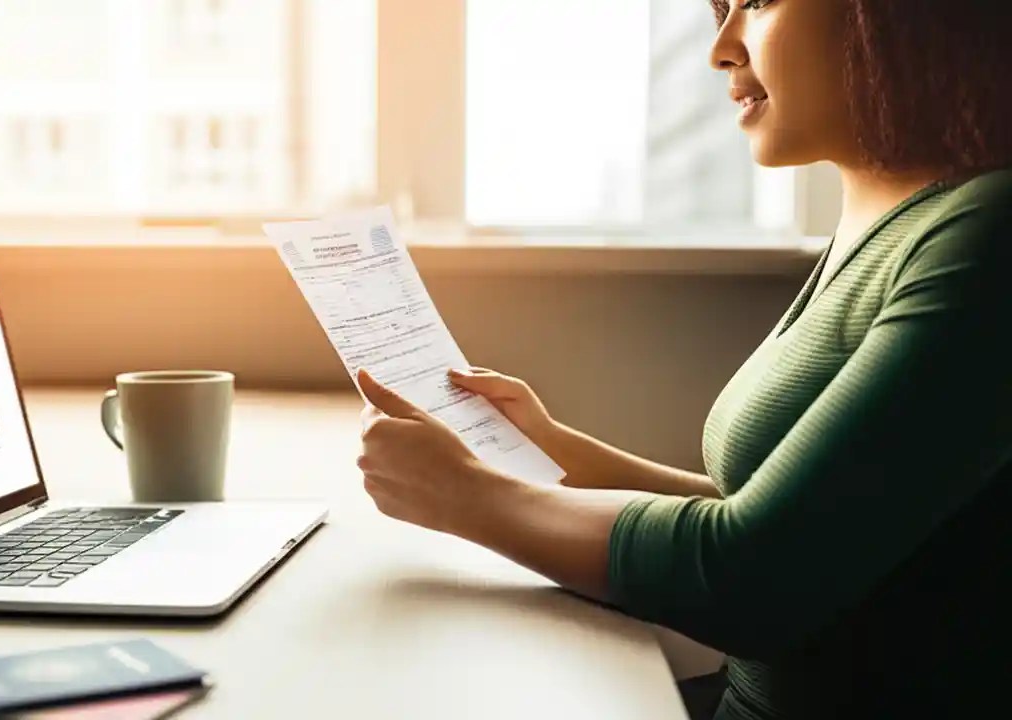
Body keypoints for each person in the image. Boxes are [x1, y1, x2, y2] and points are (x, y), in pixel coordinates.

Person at [353, 1, 1012, 718]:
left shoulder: (987, 238)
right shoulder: (888, 220)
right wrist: (547, 447)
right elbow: (777, 517)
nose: (721, 49)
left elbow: (756, 579)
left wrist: (470, 500)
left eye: (756, 4)